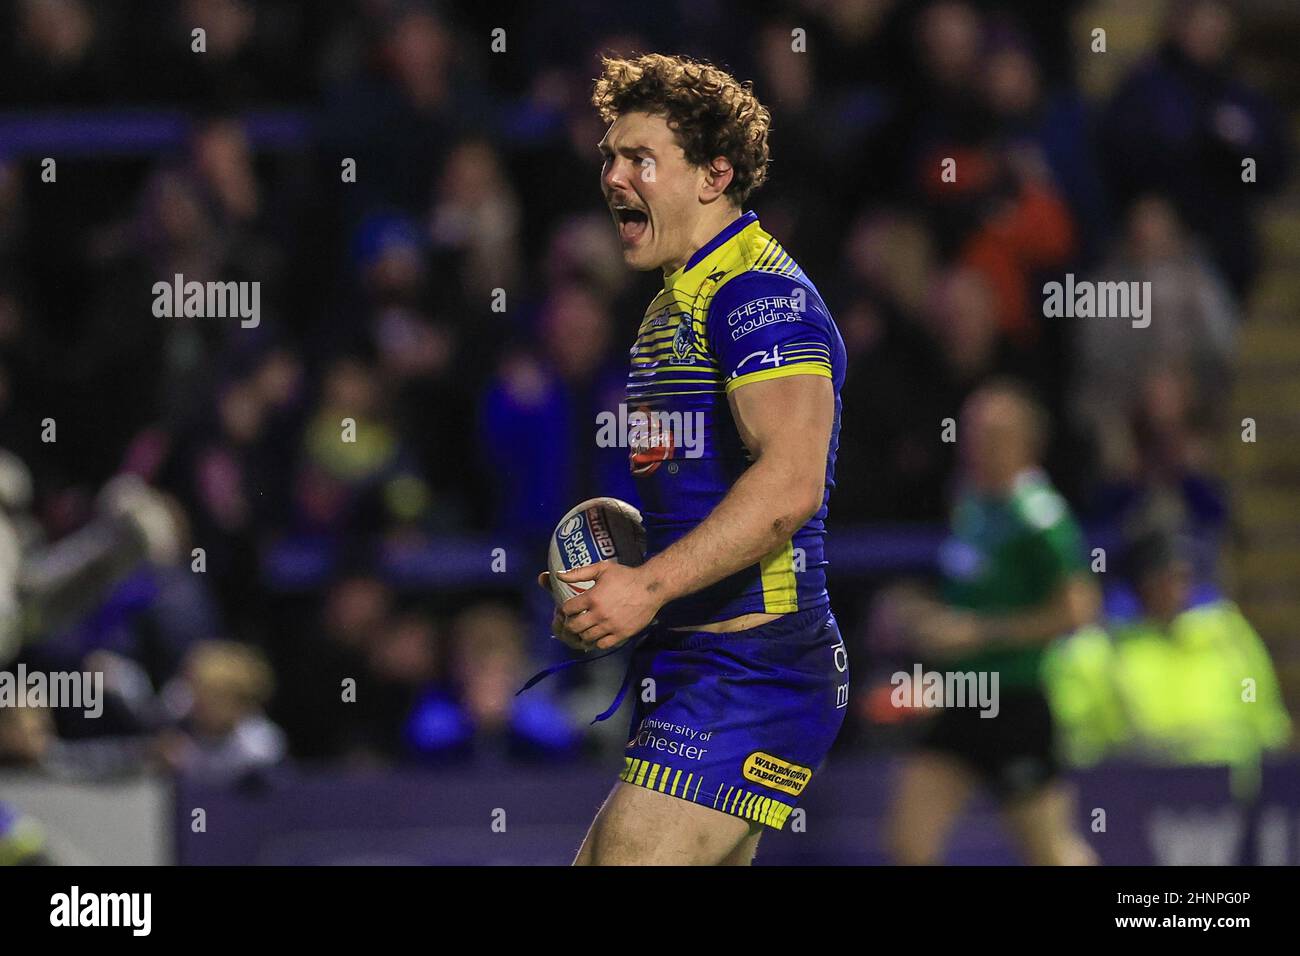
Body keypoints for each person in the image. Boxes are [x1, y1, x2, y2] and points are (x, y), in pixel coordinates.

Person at [535, 53, 849, 865]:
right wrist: (616, 592)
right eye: (608, 156)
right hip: (692, 663)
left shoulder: (758, 297)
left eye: (641, 159)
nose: (613, 176)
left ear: (715, 175)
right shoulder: (665, 307)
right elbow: (697, 499)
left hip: (759, 670)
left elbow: (788, 487)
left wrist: (646, 587)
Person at [885, 380, 1100, 865]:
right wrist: (922, 615)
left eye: (992, 435)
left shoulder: (1041, 519)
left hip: (1015, 703)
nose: (976, 445)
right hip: (959, 698)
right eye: (972, 432)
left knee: (1050, 852)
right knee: (908, 841)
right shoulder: (971, 503)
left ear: (1024, 443)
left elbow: (1078, 610)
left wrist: (978, 633)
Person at [1044, 529, 1291, 797]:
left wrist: (1273, 771)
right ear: (1139, 585)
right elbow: (1081, 746)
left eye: (1181, 578)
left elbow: (1268, 720)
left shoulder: (1229, 635)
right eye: (1160, 580)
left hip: (1234, 794)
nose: (1173, 590)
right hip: (1142, 798)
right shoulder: (1095, 652)